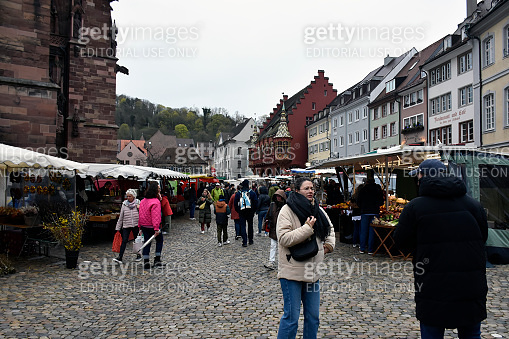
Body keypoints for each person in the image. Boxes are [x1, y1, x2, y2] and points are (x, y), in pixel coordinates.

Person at [394, 159, 488, 339]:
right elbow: (482, 237)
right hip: (470, 285)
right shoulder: (473, 205)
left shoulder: (415, 207)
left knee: (432, 333)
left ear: (422, 177)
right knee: (471, 334)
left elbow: (401, 242)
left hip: (432, 284)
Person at [276, 177, 335, 339]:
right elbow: (284, 238)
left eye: (312, 188)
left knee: (313, 317)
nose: (311, 191)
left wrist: (328, 246)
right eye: (307, 188)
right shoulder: (287, 210)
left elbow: (329, 229)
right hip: (292, 271)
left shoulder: (318, 209)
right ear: (297, 191)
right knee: (291, 319)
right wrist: (307, 229)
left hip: (312, 272)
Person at [356, 170, 384, 254]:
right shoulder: (377, 190)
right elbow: (381, 201)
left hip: (365, 212)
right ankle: (371, 250)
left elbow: (358, 201)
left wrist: (362, 207)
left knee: (363, 231)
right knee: (372, 231)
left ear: (367, 182)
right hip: (375, 212)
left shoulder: (363, 190)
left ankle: (362, 248)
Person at [138, 181, 164, 269]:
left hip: (144, 225)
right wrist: (156, 228)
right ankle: (157, 259)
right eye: (159, 189)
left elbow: (140, 214)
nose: (160, 190)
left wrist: (139, 226)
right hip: (152, 226)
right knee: (159, 241)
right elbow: (155, 216)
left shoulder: (143, 201)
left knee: (147, 242)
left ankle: (146, 262)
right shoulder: (155, 202)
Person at [113, 189, 141, 264]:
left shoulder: (138, 203)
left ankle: (139, 255)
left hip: (136, 225)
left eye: (130, 196)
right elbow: (121, 217)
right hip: (126, 225)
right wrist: (118, 228)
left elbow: (142, 214)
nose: (128, 198)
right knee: (124, 240)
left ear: (133, 196)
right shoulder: (124, 204)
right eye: (127, 196)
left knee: (137, 241)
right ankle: (120, 257)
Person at [263, 189, 287, 270]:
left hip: (283, 229)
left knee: (283, 246)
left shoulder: (286, 206)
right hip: (273, 228)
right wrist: (265, 224)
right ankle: (271, 261)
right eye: (277, 196)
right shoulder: (272, 205)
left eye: (279, 196)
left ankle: (284, 262)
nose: (278, 198)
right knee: (273, 246)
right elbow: (268, 215)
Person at [234, 179, 258, 247]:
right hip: (250, 211)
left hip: (242, 211)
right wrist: (253, 211)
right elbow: (256, 202)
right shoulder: (252, 192)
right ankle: (250, 240)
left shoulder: (238, 193)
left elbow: (235, 203)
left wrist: (238, 210)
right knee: (250, 225)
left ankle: (244, 241)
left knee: (243, 226)